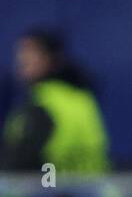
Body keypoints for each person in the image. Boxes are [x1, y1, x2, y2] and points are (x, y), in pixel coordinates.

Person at [0, 30, 109, 174]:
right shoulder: (80, 97)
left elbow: (18, 163)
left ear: (49, 59)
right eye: (20, 52)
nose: (21, 59)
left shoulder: (43, 104)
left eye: (30, 52)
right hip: (93, 192)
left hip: (56, 193)